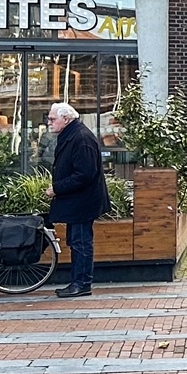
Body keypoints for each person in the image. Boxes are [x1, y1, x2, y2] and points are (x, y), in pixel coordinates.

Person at [46, 102, 110, 299]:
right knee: (77, 241)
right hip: (79, 201)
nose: (49, 123)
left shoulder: (80, 138)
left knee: (81, 242)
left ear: (66, 119)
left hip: (83, 202)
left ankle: (82, 283)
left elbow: (84, 174)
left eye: (52, 119)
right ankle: (78, 282)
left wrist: (57, 188)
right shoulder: (73, 135)